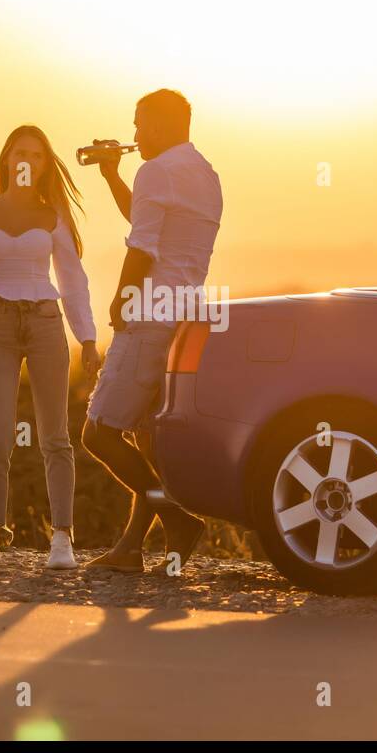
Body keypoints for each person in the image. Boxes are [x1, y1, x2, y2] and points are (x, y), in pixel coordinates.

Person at [80, 89, 222, 573]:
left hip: (149, 316)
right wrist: (111, 175)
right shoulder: (204, 173)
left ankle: (178, 521)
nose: (135, 135)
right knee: (144, 438)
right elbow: (148, 220)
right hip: (185, 316)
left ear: (158, 126)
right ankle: (131, 550)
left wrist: (121, 300)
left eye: (139, 125)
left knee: (98, 434)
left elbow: (141, 246)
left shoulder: (157, 171)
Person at [0, 125, 102, 569]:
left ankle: (62, 540)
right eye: (19, 153)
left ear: (44, 165)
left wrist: (87, 339)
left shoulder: (52, 214)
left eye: (36, 155)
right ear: (5, 160)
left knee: (56, 437)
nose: (26, 162)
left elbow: (73, 281)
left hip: (44, 322)